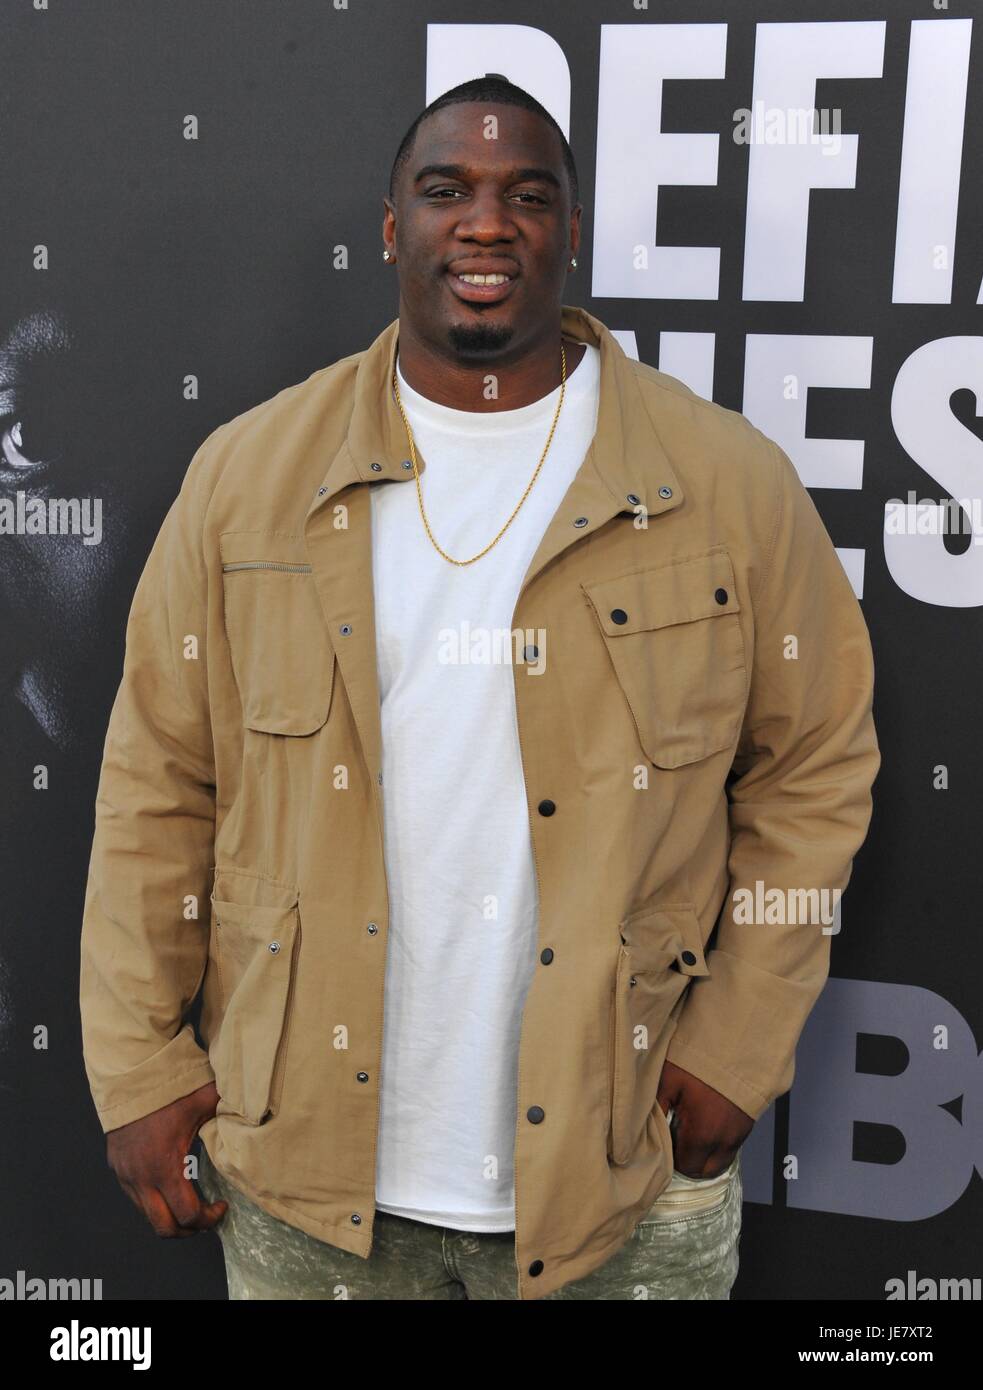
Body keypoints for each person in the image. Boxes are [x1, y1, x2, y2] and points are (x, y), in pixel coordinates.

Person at [79, 75, 880, 1301]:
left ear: (571, 230)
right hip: (303, 1174)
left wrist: (739, 1039)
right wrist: (137, 1066)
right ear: (391, 226)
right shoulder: (245, 478)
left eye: (528, 196)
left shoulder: (726, 483)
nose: (487, 223)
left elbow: (812, 770)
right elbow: (157, 782)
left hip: (624, 1176)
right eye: (445, 190)